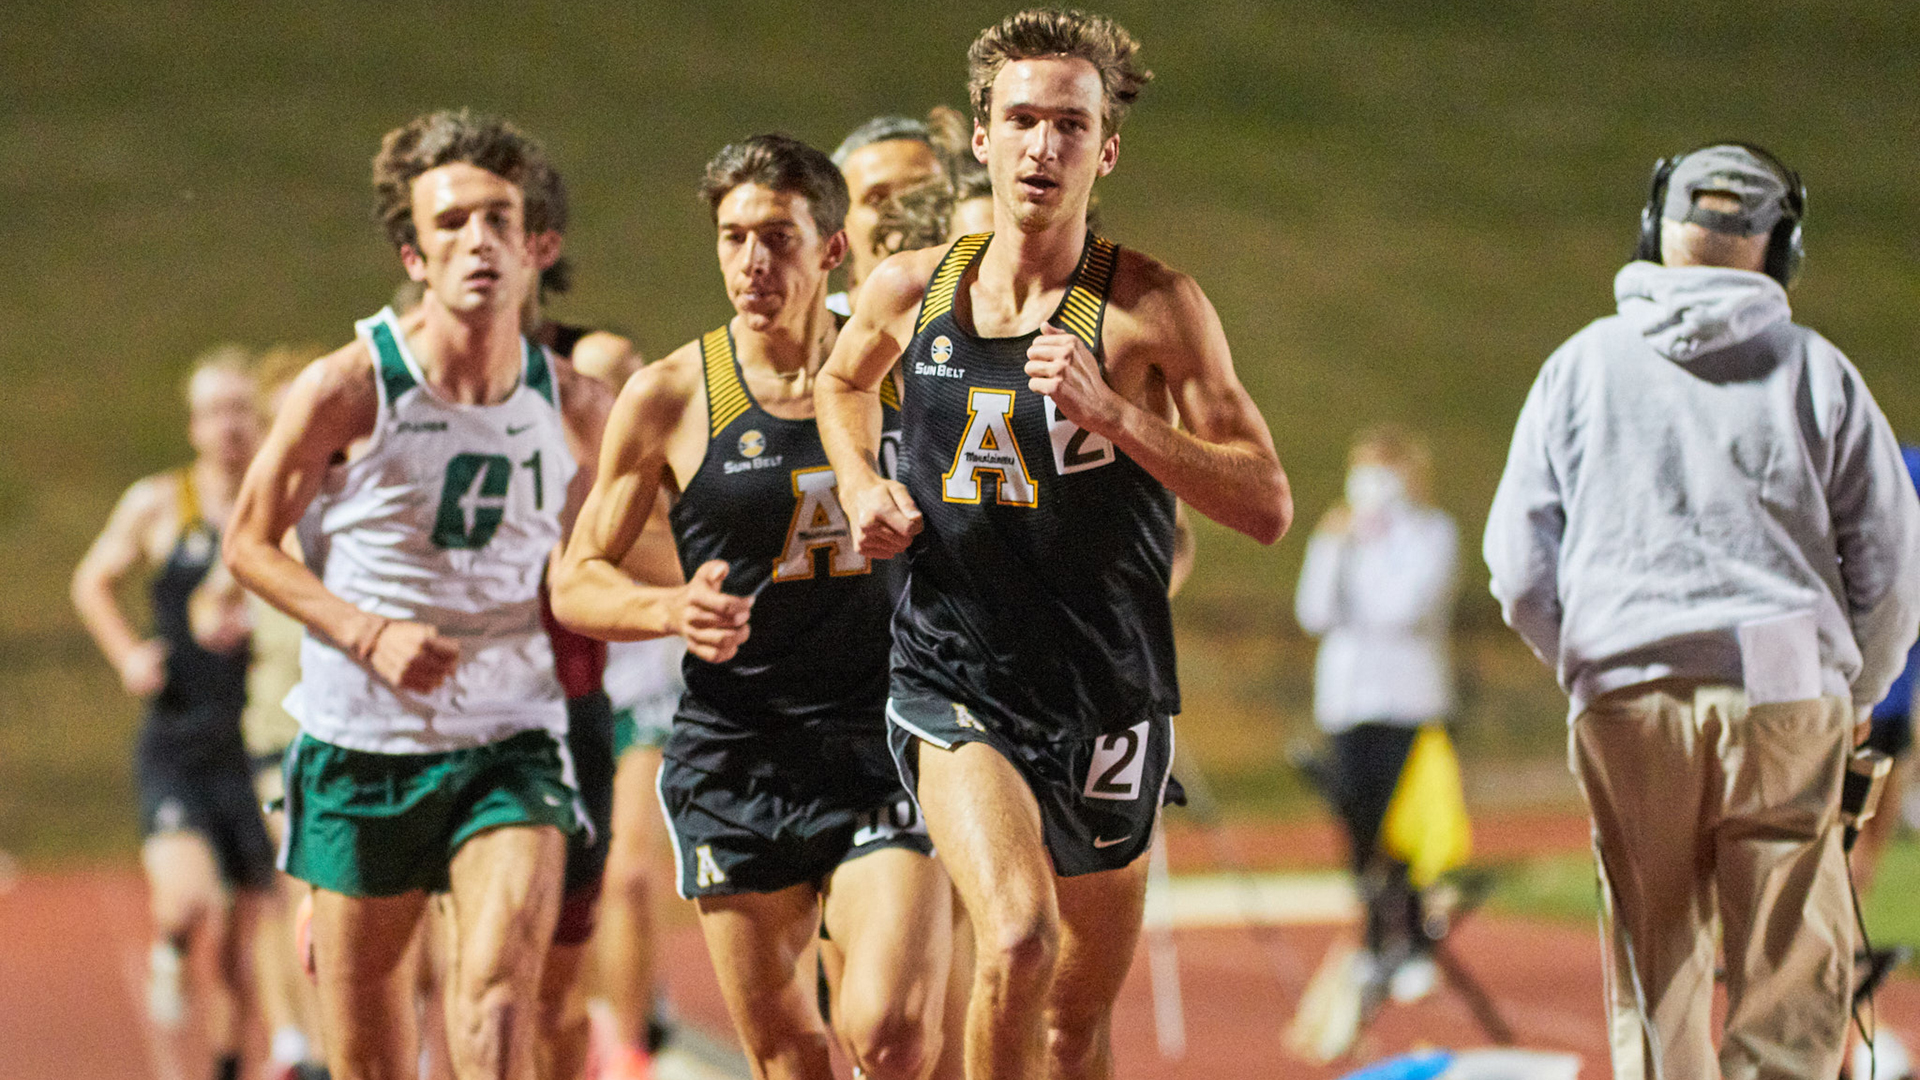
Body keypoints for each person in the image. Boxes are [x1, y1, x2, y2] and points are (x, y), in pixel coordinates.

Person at [815, 10, 1290, 1079]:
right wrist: (860, 483)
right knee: (1017, 937)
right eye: (1020, 120)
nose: (1043, 147)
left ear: (1105, 149)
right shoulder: (912, 290)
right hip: (955, 682)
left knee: (1075, 1021)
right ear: (980, 139)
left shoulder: (1153, 309)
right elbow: (842, 379)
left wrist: (1119, 418)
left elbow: (1265, 503)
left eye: (1069, 125)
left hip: (1111, 694)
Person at [1484, 142, 1920, 1080]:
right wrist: (1862, 694)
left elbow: (1518, 570)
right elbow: (1892, 565)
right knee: (1788, 967)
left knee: (1655, 970)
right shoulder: (1821, 373)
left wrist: (1598, 661)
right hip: (1785, 689)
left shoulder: (1577, 367)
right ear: (1782, 249)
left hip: (1625, 697)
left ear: (1654, 228)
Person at [552, 133, 957, 1080]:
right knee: (785, 1056)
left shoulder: (905, 369)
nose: (752, 263)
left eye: (776, 237)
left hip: (887, 738)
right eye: (733, 238)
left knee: (891, 1027)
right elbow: (576, 577)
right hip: (738, 754)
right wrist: (667, 613)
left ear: (831, 249)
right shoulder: (670, 397)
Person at [223, 109, 612, 1080]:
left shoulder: (575, 405)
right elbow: (247, 543)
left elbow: (625, 555)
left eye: (497, 220)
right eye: (451, 224)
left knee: (492, 1000)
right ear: (415, 252)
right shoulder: (349, 388)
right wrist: (364, 632)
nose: (476, 240)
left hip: (511, 738)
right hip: (364, 750)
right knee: (372, 1059)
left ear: (535, 248)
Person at [72, 346, 275, 1080]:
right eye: (216, 412)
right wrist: (128, 653)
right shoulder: (161, 503)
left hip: (252, 746)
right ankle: (168, 942)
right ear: (194, 426)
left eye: (242, 411)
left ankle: (227, 1062)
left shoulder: (279, 503)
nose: (230, 427)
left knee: (240, 943)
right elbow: (92, 579)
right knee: (191, 902)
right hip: (178, 743)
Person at [188, 343, 332, 1080]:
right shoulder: (264, 503)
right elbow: (210, 599)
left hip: (355, 723)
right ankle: (308, 1047)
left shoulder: (351, 491)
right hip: (280, 727)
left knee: (367, 898)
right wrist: (220, 616)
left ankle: (351, 1043)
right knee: (301, 886)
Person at [1294, 425, 1457, 1002]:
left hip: (1411, 701)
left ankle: (1413, 942)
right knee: (1357, 829)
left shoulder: (1433, 533)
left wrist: (1365, 579)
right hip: (1347, 702)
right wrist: (1335, 547)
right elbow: (1313, 611)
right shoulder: (1338, 534)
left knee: (1408, 829)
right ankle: (1369, 942)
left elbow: (1407, 608)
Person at [829, 115, 947, 317]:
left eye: (922, 194)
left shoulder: (1000, 323)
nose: (902, 213)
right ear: (840, 223)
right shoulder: (811, 336)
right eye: (877, 200)